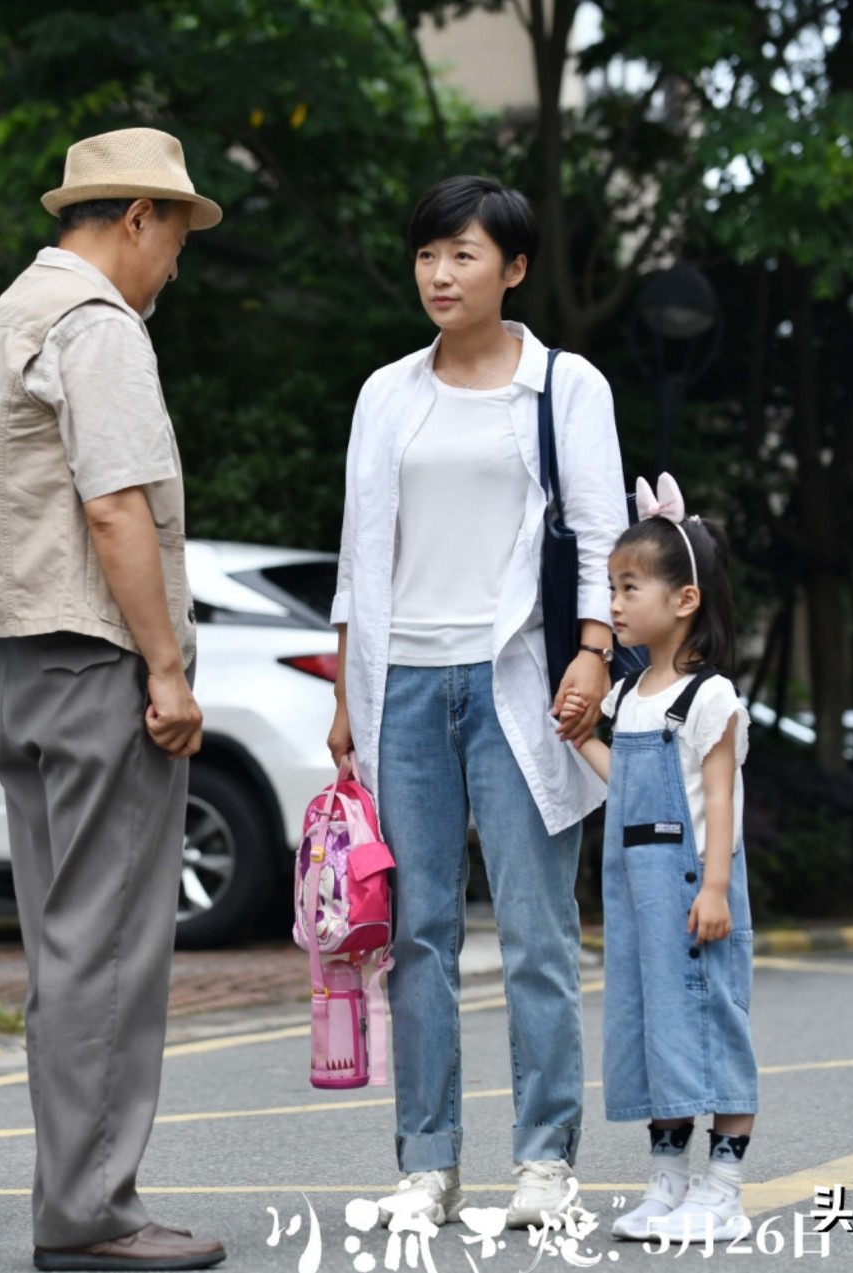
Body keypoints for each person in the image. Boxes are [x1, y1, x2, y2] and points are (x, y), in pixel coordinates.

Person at [0, 127, 226, 1272]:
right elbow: (116, 510)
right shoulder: (98, 328)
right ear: (137, 217)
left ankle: (76, 1204)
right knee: (107, 946)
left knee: (65, 946)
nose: (176, 268)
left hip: (24, 664)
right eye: (176, 238)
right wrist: (164, 665)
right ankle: (94, 1214)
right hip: (99, 663)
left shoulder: (10, 313)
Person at [326, 175, 627, 1229]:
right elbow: (360, 552)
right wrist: (344, 688)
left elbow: (601, 536)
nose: (439, 275)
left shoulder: (564, 388)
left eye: (461, 254)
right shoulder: (387, 392)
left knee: (538, 933)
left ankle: (545, 1160)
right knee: (417, 933)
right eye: (425, 256)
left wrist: (592, 653)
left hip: (520, 684)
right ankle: (427, 1162)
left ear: (514, 267)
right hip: (401, 685)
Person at [562, 474, 759, 1244]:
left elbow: (719, 799)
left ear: (684, 600)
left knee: (713, 1025)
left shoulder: (709, 697)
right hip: (639, 894)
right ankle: (668, 1179)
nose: (614, 603)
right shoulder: (629, 690)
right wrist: (584, 741)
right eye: (612, 586)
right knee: (654, 1031)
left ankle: (726, 1185)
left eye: (629, 586)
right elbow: (631, 788)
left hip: (694, 890)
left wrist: (714, 887)